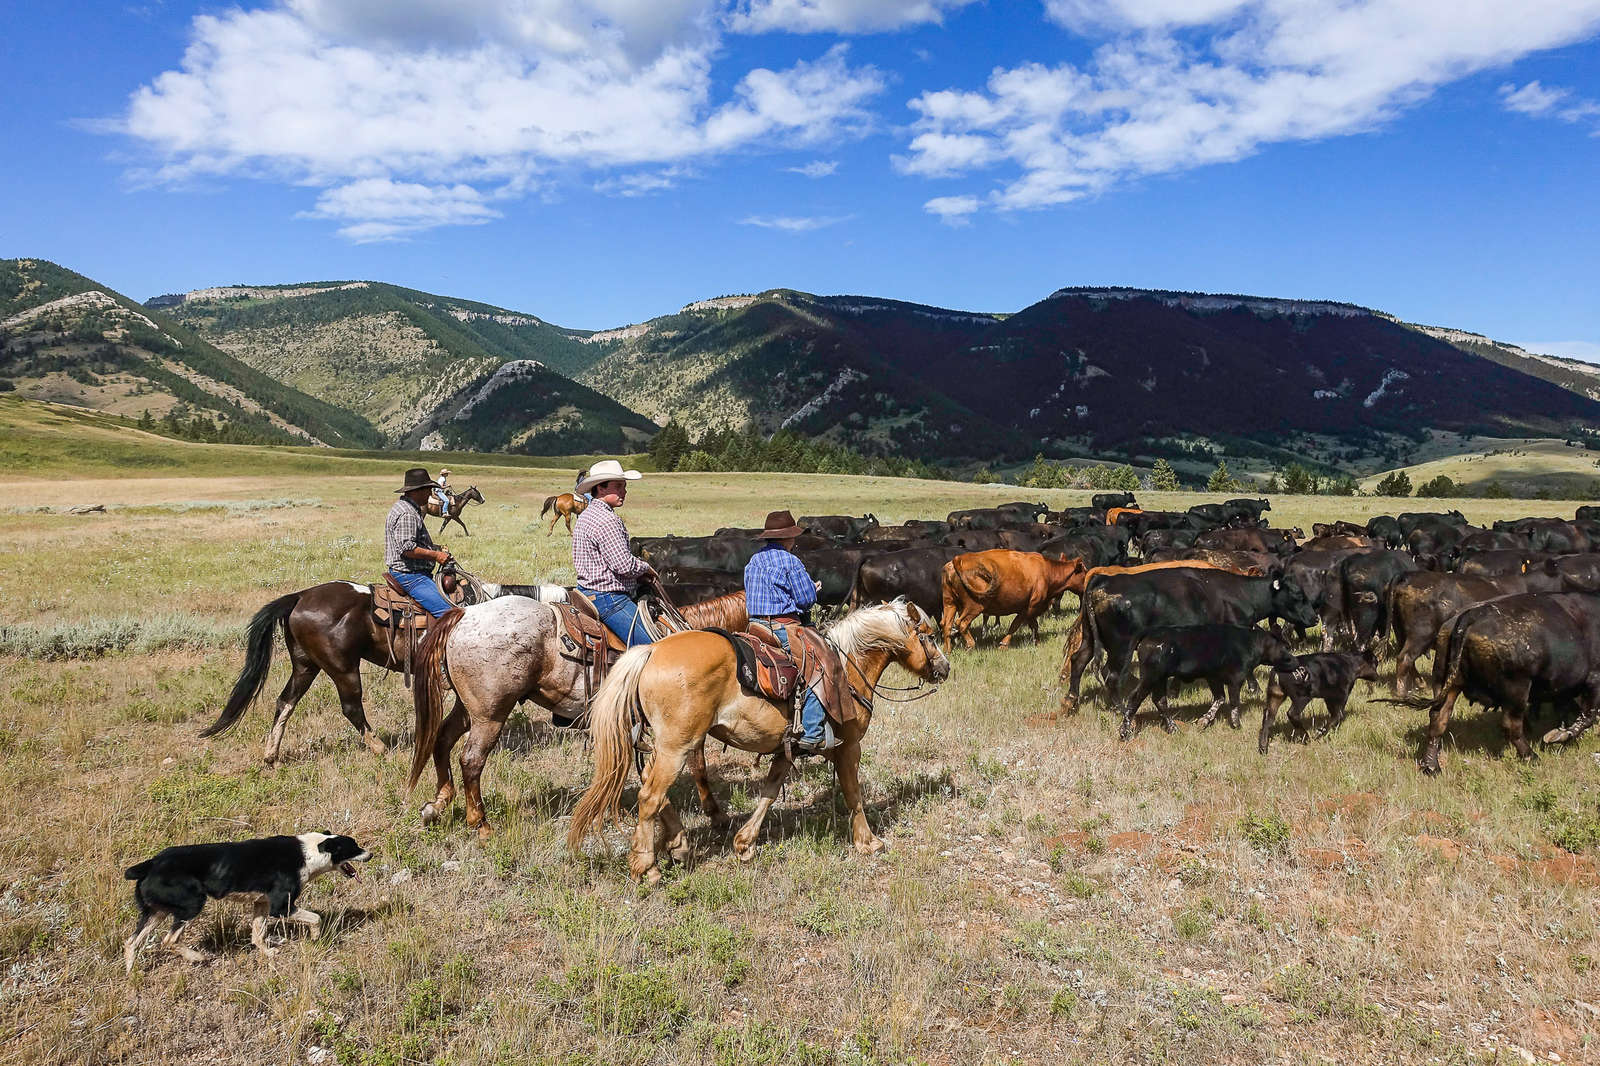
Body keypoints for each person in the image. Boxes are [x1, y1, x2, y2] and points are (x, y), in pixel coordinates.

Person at [743, 509, 835, 753]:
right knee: (821, 665)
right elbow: (805, 601)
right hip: (783, 626)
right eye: (793, 537)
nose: (794, 541)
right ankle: (813, 732)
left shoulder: (753, 561)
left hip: (755, 626)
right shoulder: (790, 561)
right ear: (786, 538)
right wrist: (813, 590)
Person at [571, 459, 655, 646]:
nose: (624, 491)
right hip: (609, 598)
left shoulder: (585, 515)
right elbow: (623, 565)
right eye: (618, 486)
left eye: (624, 486)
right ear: (601, 488)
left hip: (586, 593)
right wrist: (645, 568)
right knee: (651, 649)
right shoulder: (608, 520)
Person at [386, 467, 454, 617]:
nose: (430, 494)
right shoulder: (407, 514)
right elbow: (407, 549)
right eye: (427, 490)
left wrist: (435, 549)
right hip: (410, 574)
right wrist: (436, 555)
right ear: (416, 491)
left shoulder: (407, 508)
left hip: (412, 572)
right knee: (450, 614)